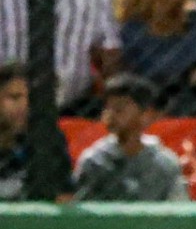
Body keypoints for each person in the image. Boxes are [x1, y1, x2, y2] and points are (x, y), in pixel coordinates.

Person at [71, 73, 186, 201]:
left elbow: (179, 208)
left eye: (119, 109)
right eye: (108, 109)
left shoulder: (164, 163)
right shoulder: (94, 161)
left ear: (146, 115)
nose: (110, 116)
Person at [0, 62, 70, 202]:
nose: (24, 105)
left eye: (32, 98)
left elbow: (65, 197)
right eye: (15, 97)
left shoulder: (50, 140)